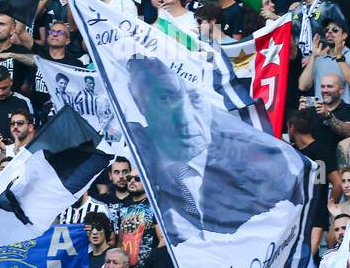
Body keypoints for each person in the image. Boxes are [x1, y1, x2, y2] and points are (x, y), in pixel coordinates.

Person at [124, 53, 307, 243]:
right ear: (139, 101)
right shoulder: (137, 165)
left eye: (195, 97)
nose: (186, 114)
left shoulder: (254, 167)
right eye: (166, 97)